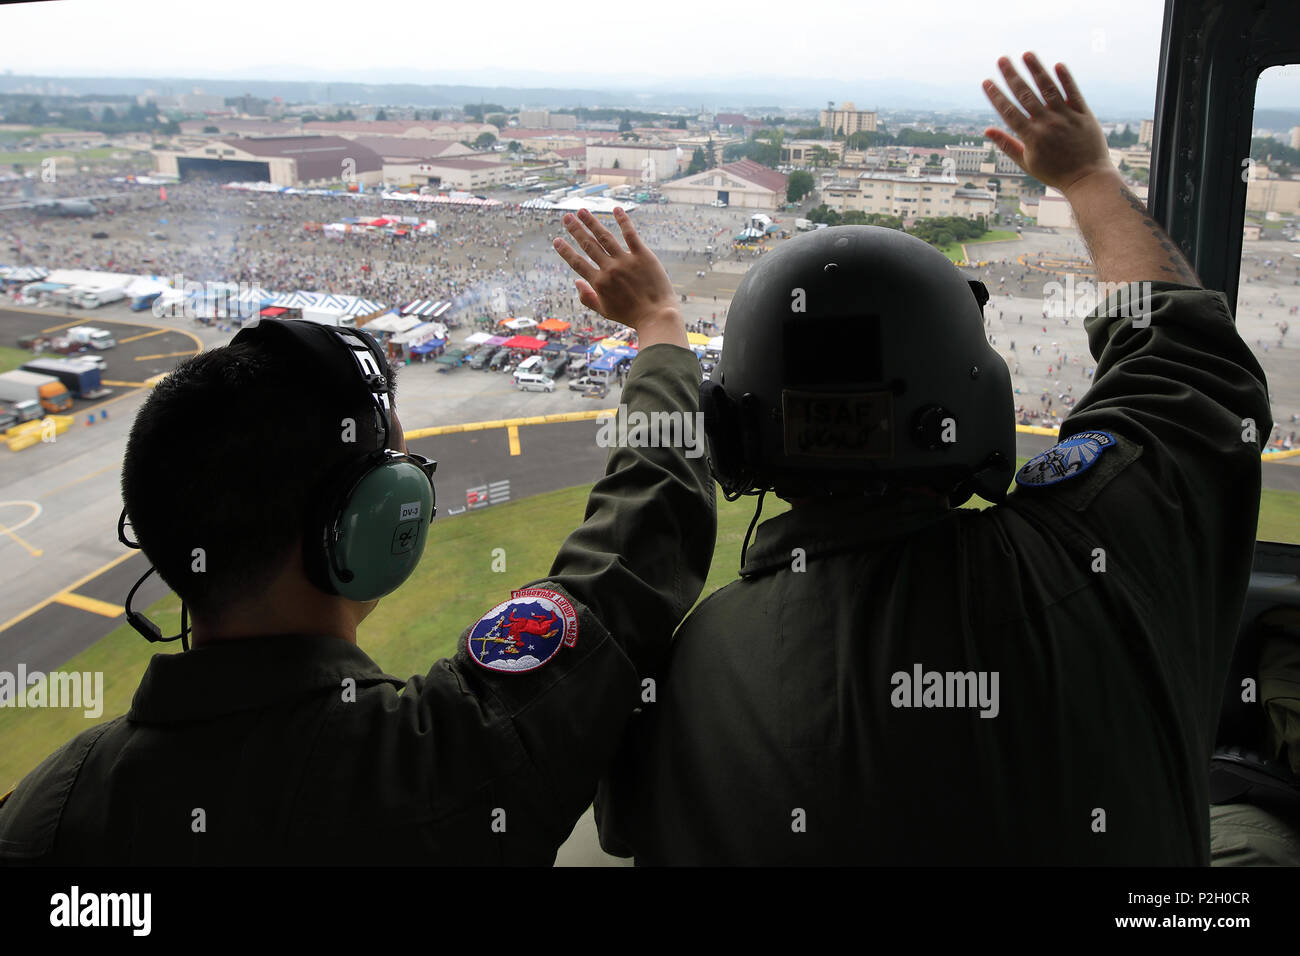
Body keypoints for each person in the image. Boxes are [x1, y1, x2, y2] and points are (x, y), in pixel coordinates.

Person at [593, 52, 1271, 864]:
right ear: (978, 400)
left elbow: (631, 824)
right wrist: (1088, 175)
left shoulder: (681, 676)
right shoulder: (1100, 555)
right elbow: (1185, 357)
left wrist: (658, 327)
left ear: (735, 440)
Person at [0, 208, 715, 865]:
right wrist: (658, 323)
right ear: (375, 516)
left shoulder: (44, 811)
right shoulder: (434, 760)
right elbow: (641, 542)